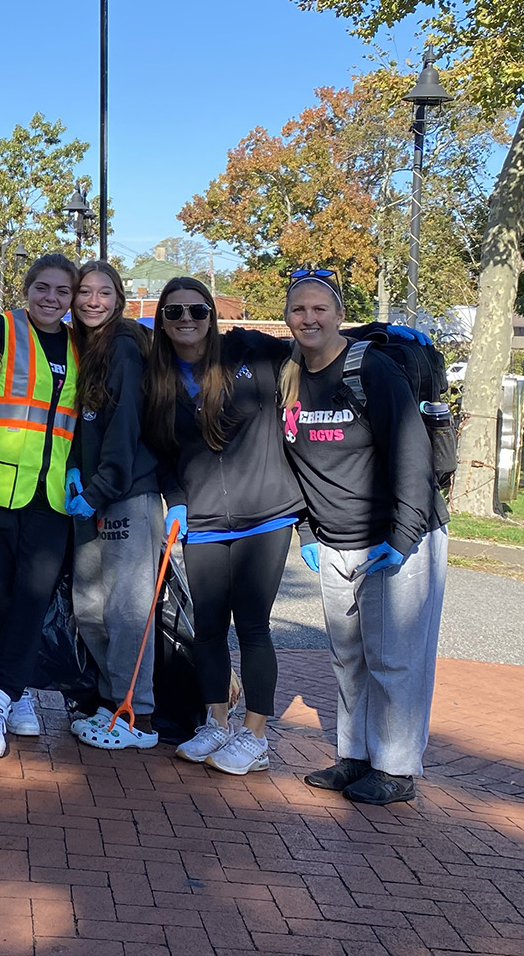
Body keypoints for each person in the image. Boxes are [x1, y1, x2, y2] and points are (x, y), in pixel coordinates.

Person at [278, 270, 448, 805]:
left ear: (338, 315)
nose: (309, 319)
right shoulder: (290, 374)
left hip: (397, 536)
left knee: (395, 658)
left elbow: (411, 452)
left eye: (320, 309)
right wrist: (306, 529)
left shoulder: (369, 368)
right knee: (347, 656)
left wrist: (402, 534)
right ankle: (355, 757)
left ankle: (396, 769)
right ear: (288, 317)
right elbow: (293, 461)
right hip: (333, 539)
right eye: (299, 310)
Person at [142, 277, 301, 774]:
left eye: (197, 310)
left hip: (265, 514)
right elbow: (161, 452)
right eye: (174, 313)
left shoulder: (248, 349)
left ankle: (256, 736)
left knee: (252, 625)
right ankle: (216, 723)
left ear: (212, 315)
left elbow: (313, 346)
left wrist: (380, 336)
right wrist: (177, 500)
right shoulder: (159, 379)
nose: (186, 320)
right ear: (162, 322)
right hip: (204, 519)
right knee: (208, 627)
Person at [0, 254, 80, 757]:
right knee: (3, 598)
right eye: (42, 288)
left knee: (34, 597)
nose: (51, 298)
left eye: (62, 291)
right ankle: (16, 692)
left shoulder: (79, 344)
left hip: (51, 494)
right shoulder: (1, 330)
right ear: (26, 289)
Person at [64, 259, 164, 751]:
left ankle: (137, 713)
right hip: (91, 496)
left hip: (126, 495)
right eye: (85, 291)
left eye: (104, 293)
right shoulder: (85, 350)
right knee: (89, 609)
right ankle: (112, 698)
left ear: (119, 299)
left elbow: (124, 431)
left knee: (127, 612)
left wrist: (98, 489)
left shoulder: (124, 347)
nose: (92, 301)